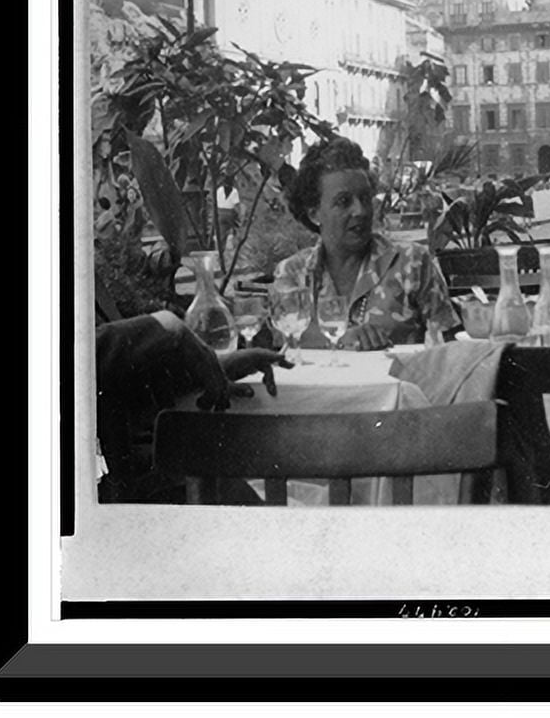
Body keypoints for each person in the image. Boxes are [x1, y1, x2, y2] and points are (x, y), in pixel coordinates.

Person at [275, 137, 460, 350]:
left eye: (365, 198)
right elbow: (285, 335)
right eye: (343, 202)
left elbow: (451, 345)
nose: (360, 211)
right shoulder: (293, 273)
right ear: (314, 213)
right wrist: (342, 339)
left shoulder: (412, 263)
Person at [96, 310, 293, 503]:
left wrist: (212, 370)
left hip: (157, 478)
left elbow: (112, 387)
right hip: (124, 499)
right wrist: (166, 327)